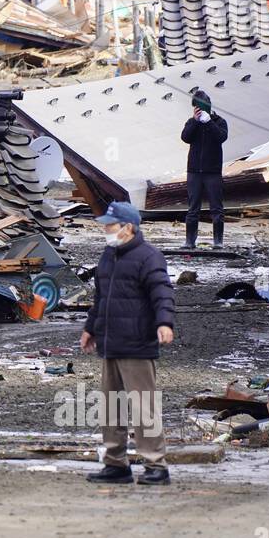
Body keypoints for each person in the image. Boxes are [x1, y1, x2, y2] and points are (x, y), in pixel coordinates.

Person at [80, 201, 175, 486]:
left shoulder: (149, 257)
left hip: (137, 344)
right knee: (111, 407)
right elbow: (101, 299)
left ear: (128, 228)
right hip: (110, 344)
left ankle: (156, 465)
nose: (106, 231)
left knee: (143, 407)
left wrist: (164, 323)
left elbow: (162, 293)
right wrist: (90, 329)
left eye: (110, 226)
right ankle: (115, 464)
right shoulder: (108, 256)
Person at [181, 88, 228, 249]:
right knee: (193, 207)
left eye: (199, 107)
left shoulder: (219, 122)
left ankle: (218, 241)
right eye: (195, 108)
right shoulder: (191, 122)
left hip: (212, 171)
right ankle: (189, 241)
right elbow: (185, 137)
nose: (197, 111)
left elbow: (221, 137)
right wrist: (195, 121)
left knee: (216, 207)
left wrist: (209, 122)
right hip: (194, 171)